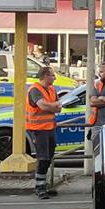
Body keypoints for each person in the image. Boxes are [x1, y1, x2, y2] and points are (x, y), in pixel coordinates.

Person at [26, 66, 63, 199]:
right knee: (43, 159)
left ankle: (43, 184)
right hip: (38, 129)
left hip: (49, 128)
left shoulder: (52, 89)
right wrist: (53, 106)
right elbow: (42, 105)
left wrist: (52, 106)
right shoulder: (35, 90)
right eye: (53, 75)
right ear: (46, 76)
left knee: (48, 158)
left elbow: (59, 107)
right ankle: (39, 187)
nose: (55, 78)